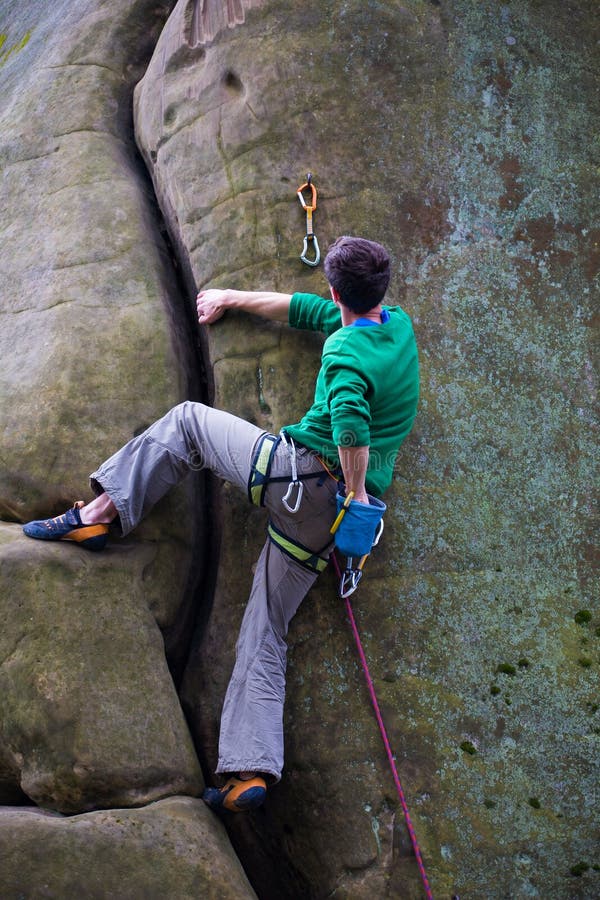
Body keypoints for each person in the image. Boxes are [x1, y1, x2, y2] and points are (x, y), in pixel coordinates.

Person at [22, 236, 419, 812]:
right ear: (378, 291)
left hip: (298, 476)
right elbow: (307, 311)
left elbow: (351, 428)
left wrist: (355, 490)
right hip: (326, 527)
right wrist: (232, 296)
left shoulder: (344, 356)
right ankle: (248, 770)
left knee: (186, 423)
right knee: (267, 622)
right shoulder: (398, 327)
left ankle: (95, 517)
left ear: (337, 290)